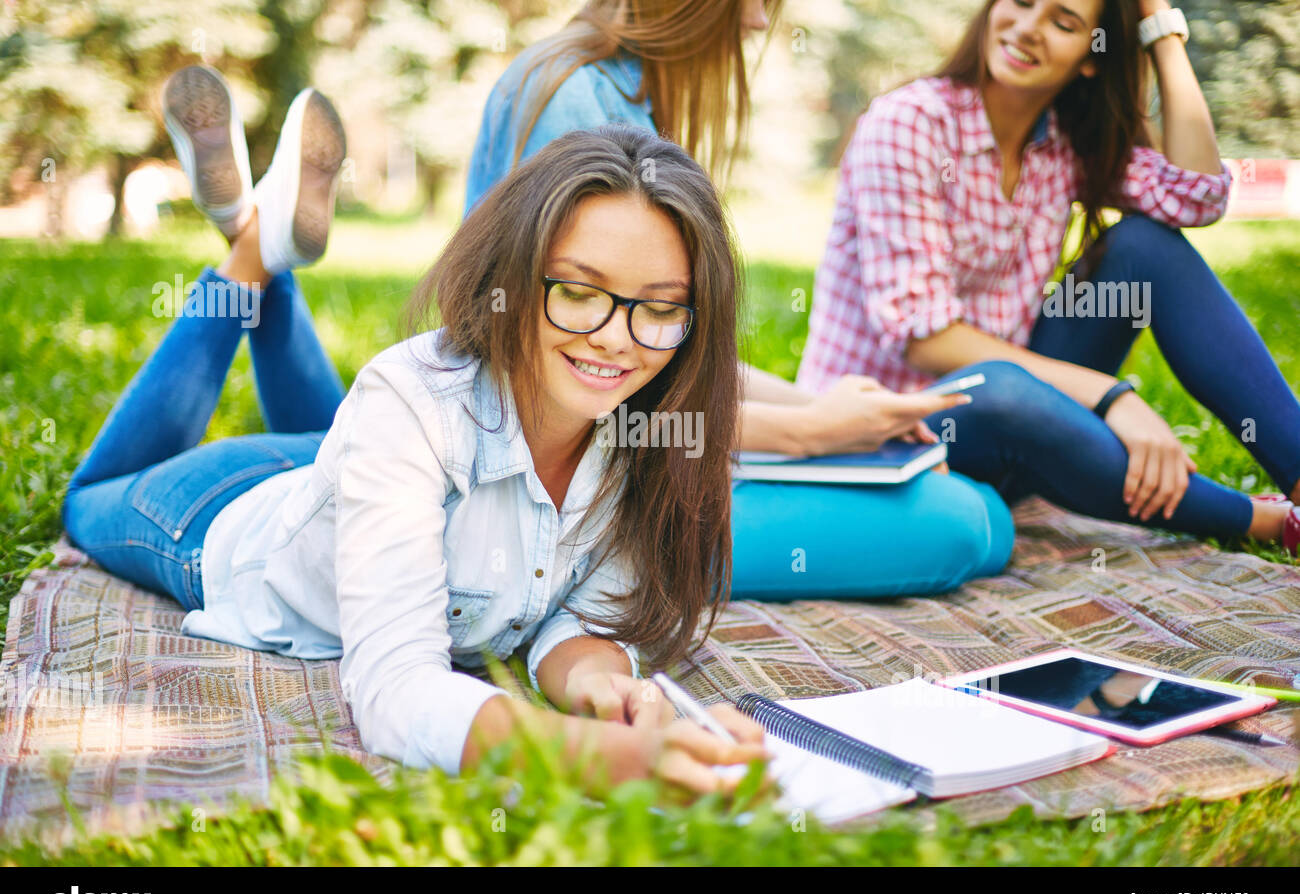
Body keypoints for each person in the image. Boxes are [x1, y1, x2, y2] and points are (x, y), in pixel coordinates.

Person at [60, 65, 766, 794]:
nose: (617, 338)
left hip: (346, 474)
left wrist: (597, 685)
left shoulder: (649, 438)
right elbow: (395, 688)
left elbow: (579, 622)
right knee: (88, 500)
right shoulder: (411, 401)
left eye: (658, 308)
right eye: (580, 292)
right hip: (224, 515)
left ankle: (262, 233)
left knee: (352, 435)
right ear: (513, 277)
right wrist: (599, 760)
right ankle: (249, 253)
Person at [466, 0, 1016, 600]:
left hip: (638, 456)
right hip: (583, 491)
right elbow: (591, 378)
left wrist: (836, 413)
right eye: (756, 1)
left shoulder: (622, 97)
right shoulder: (571, 98)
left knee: (976, 517)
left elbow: (653, 350)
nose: (758, 21)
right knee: (970, 523)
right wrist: (808, 432)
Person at [797, 0, 1300, 550]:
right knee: (1001, 389)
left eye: (1063, 23)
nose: (1029, 29)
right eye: (1021, 2)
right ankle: (1264, 521)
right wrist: (1111, 397)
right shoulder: (908, 123)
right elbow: (924, 338)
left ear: (1091, 56)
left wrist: (1159, 26)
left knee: (1144, 247)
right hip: (889, 441)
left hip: (1021, 422)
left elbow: (1197, 196)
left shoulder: (1065, 140)